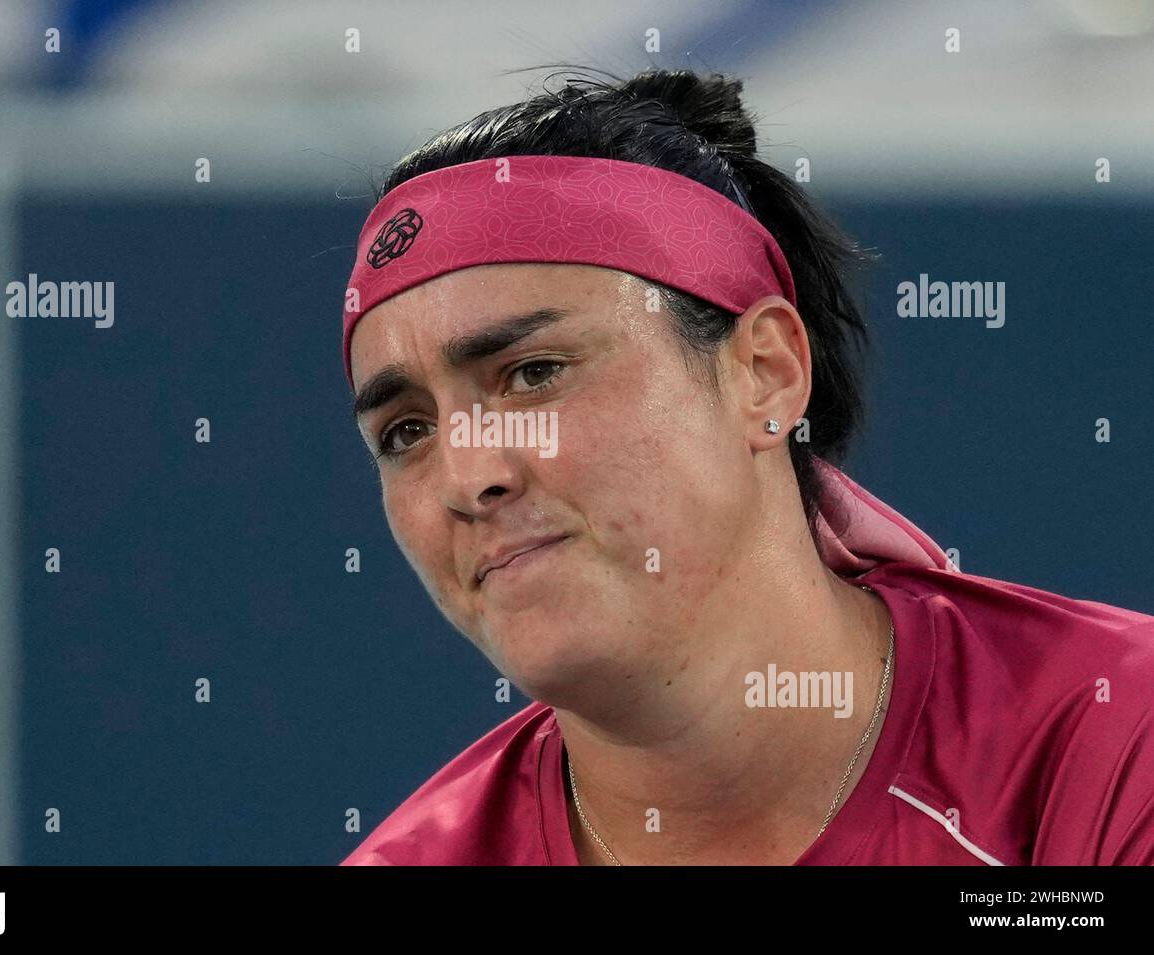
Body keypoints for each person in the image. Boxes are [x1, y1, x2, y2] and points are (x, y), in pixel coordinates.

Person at [338, 67, 1154, 865]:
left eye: (534, 373)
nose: (466, 477)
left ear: (764, 371)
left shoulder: (1118, 740)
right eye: (406, 432)